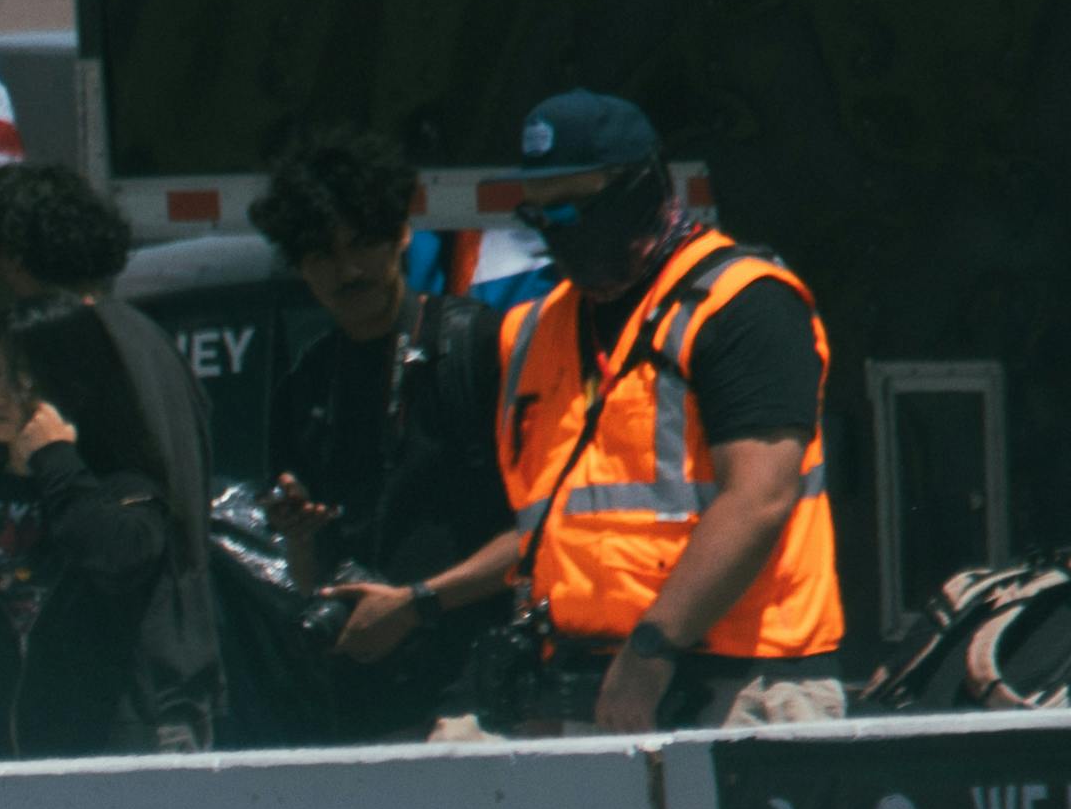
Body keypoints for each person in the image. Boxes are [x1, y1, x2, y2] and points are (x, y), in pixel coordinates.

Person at [346, 94, 854, 733]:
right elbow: (546, 526)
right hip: (583, 686)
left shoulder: (741, 304)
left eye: (577, 206)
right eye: (540, 214)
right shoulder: (532, 333)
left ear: (642, 189)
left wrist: (650, 652)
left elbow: (758, 498)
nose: (560, 230)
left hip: (737, 682)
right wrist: (422, 602)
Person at [0, 158, 223, 761]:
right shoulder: (145, 340)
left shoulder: (91, 353)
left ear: (13, 258)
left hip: (124, 716)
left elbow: (122, 538)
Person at [248, 132, 523, 746]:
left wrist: (417, 604)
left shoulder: (478, 347)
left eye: (363, 244)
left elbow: (544, 529)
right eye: (322, 255)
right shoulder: (306, 384)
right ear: (298, 264)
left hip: (480, 700)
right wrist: (301, 538)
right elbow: (309, 575)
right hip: (363, 707)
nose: (348, 271)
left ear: (402, 233)